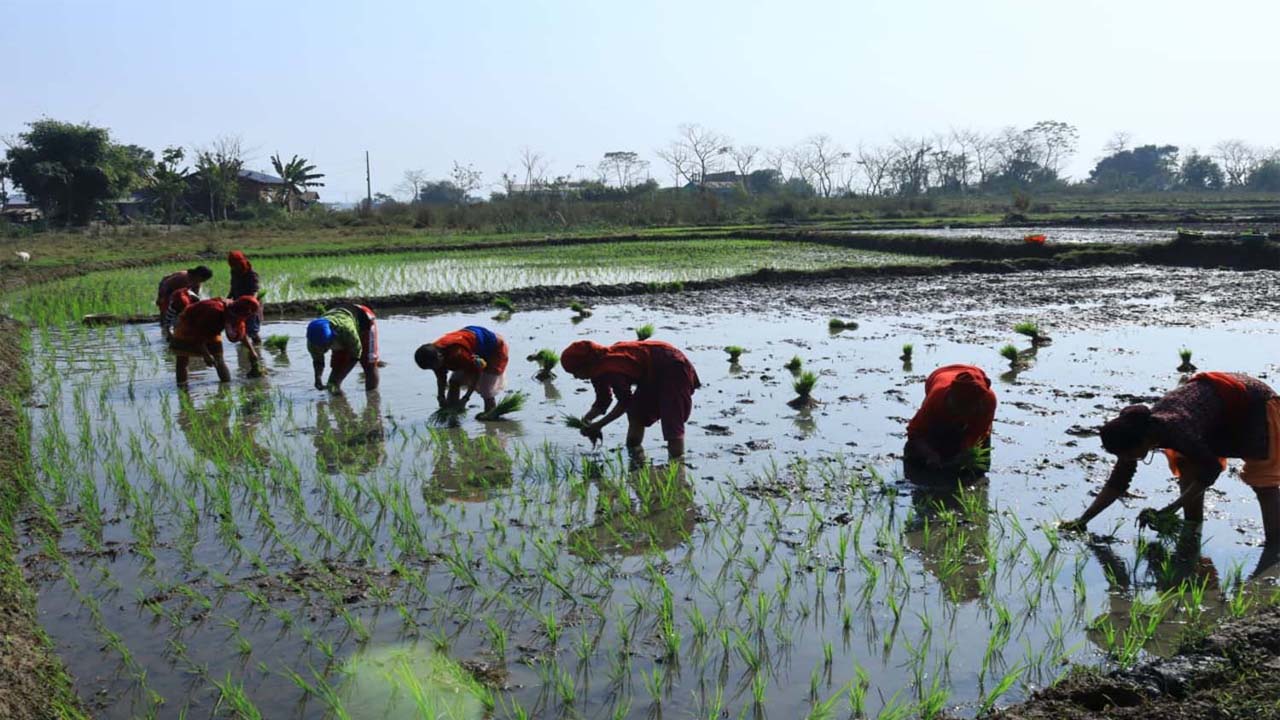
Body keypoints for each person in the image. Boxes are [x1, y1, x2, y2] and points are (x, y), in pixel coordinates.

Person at [1062, 372, 1280, 547]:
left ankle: (1274, 547)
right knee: (1188, 465)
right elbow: (1117, 482)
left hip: (1254, 405)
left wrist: (1170, 509)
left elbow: (1212, 469)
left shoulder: (1176, 428)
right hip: (1216, 415)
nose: (1126, 459)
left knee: (1264, 484)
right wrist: (1083, 520)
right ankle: (1192, 531)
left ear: (1144, 440)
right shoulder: (1136, 432)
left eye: (1127, 454)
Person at [560, 339, 700, 460]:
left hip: (673, 366)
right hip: (650, 373)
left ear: (586, 365)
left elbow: (624, 402)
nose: (575, 377)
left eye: (575, 372)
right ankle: (635, 455)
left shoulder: (610, 368)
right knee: (636, 411)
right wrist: (587, 419)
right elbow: (603, 401)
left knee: (671, 418)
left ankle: (677, 465)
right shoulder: (596, 370)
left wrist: (599, 425)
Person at [904, 364, 998, 472]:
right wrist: (930, 454)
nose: (961, 412)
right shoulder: (936, 399)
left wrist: (965, 452)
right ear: (951, 398)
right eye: (958, 407)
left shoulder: (988, 401)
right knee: (915, 456)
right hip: (939, 375)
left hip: (975, 374)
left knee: (978, 466)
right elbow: (914, 432)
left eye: (966, 409)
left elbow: (979, 432)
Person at [414, 326, 509, 417]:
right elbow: (441, 377)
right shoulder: (433, 356)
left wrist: (465, 398)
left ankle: (491, 416)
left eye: (435, 366)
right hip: (472, 343)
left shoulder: (457, 353)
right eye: (432, 368)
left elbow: (476, 373)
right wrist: (441, 397)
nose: (435, 369)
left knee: (486, 389)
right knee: (454, 382)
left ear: (440, 357)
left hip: (494, 347)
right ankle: (453, 413)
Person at [168, 296, 261, 385]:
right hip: (188, 326)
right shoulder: (214, 311)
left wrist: (252, 351)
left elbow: (240, 330)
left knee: (219, 359)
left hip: (211, 327)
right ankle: (183, 389)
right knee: (182, 361)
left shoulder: (238, 311)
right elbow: (198, 335)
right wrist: (206, 355)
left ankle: (226, 386)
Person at [307, 304, 380, 392]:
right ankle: (337, 399)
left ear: (333, 336)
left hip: (364, 319)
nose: (326, 348)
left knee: (369, 363)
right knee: (336, 370)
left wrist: (341, 375)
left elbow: (356, 355)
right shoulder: (312, 342)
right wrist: (318, 378)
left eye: (327, 345)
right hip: (339, 324)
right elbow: (318, 361)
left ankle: (372, 399)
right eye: (322, 347)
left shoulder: (346, 330)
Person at [156, 265, 212, 339]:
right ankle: (165, 334)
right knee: (165, 314)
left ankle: (179, 331)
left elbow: (195, 299)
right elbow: (165, 285)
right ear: (198, 275)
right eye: (204, 279)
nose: (204, 281)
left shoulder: (197, 282)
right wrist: (160, 298)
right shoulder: (182, 277)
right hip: (167, 290)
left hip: (178, 293)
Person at [227, 250, 262, 342]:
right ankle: (245, 348)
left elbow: (255, 290)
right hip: (238, 303)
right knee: (240, 329)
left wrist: (252, 302)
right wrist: (228, 298)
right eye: (232, 265)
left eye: (236, 264)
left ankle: (257, 347)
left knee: (252, 330)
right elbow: (233, 286)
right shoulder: (234, 271)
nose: (234, 267)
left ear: (241, 262)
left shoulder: (251, 273)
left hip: (250, 305)